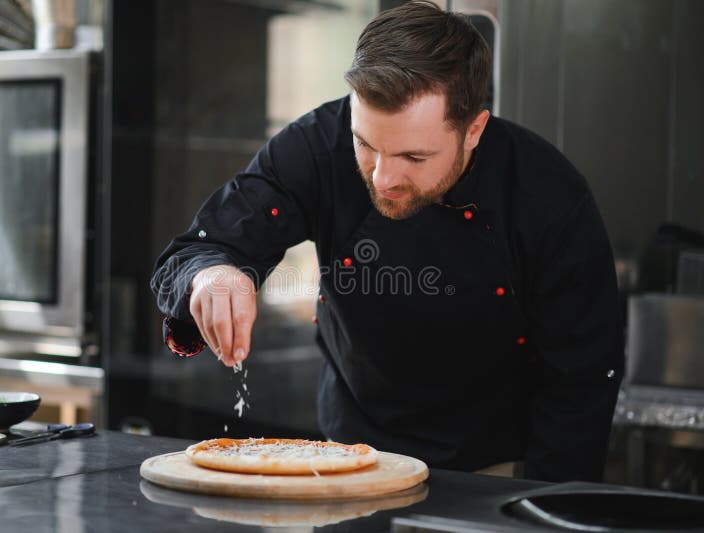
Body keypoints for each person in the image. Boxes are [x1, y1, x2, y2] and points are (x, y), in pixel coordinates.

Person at [151, 0, 623, 482]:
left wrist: (545, 504)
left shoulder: (546, 194)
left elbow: (583, 376)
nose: (383, 177)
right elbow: (200, 248)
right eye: (365, 144)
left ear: (473, 130)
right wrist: (212, 275)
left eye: (414, 157)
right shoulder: (317, 144)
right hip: (349, 456)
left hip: (494, 467)